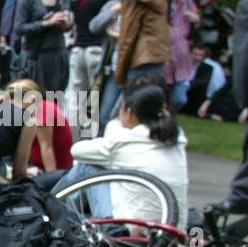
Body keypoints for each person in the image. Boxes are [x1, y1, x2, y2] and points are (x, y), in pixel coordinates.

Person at [54, 79, 188, 231]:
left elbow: (77, 151)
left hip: (129, 231)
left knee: (88, 166)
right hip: (172, 229)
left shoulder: (123, 141)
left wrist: (115, 125)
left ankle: (49, 210)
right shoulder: (176, 139)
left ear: (129, 112)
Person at [110, 0, 170, 123]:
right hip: (156, 55)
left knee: (122, 113)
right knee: (149, 109)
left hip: (140, 58)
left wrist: (120, 74)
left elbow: (127, 37)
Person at [65, 0, 115, 135]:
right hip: (96, 49)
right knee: (92, 93)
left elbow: (69, 22)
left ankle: (70, 134)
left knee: (74, 93)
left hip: (76, 49)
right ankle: (89, 135)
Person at [14, 0, 73, 95]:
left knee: (55, 100)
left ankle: (54, 119)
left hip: (58, 54)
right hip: (35, 55)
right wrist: (46, 23)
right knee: (31, 102)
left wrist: (66, 24)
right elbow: (19, 28)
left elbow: (69, 24)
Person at [164, 0, 200, 111]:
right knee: (163, 90)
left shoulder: (188, 2)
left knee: (180, 98)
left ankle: (170, 115)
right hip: (165, 51)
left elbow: (197, 19)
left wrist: (194, 18)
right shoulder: (162, 0)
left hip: (181, 53)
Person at [187, 43, 229, 115]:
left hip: (195, 96)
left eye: (200, 55)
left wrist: (186, 84)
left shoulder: (208, 67)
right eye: (195, 54)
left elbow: (203, 81)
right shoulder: (183, 65)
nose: (197, 57)